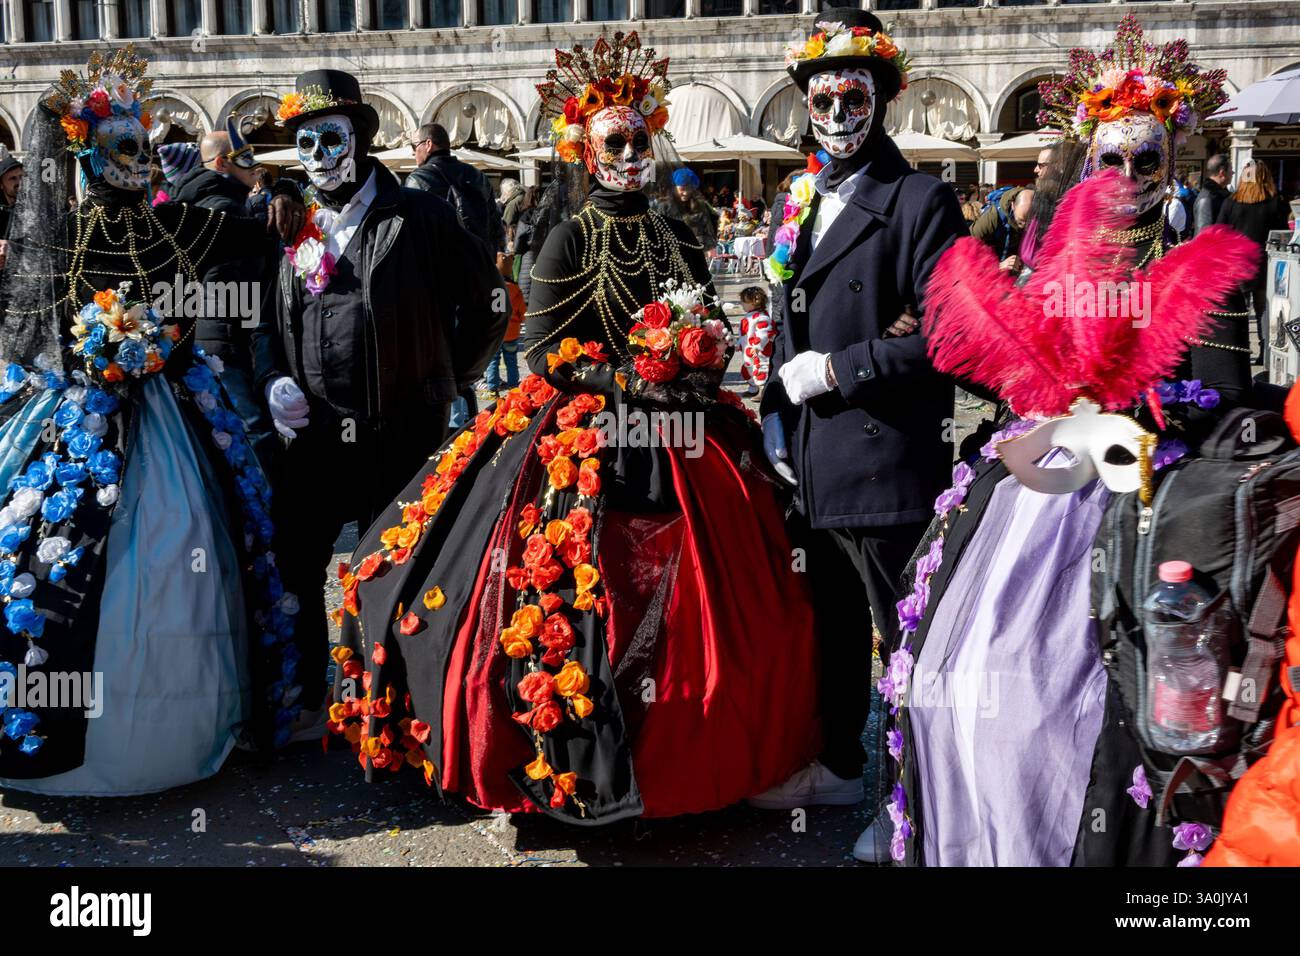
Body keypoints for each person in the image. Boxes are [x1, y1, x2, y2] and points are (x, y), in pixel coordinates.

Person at [325, 32, 820, 823]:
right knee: (573, 582)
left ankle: (718, 748)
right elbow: (538, 349)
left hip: (686, 425)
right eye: (614, 142)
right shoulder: (567, 236)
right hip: (590, 428)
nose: (630, 153)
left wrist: (697, 358)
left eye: (640, 139)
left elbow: (712, 315)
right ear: (586, 153)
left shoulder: (677, 233)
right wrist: (622, 374)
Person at [893, 15, 1258, 866]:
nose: (1127, 176)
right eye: (1111, 159)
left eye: (1147, 159)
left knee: (1086, 695)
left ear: (1171, 164)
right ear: (1086, 162)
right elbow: (1007, 362)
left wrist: (1140, 408)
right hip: (1037, 483)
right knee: (978, 681)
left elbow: (1227, 401)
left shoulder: (1201, 261)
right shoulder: (1054, 261)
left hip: (1145, 492)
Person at [0, 46, 308, 793]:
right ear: (91, 153)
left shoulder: (178, 228)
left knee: (199, 550)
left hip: (175, 408)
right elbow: (32, 322)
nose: (140, 160)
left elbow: (254, 231)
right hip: (83, 412)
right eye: (125, 145)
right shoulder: (58, 240)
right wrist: (97, 352)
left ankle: (196, 720)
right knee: (60, 558)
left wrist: (288, 193)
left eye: (146, 142)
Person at [752, 9, 966, 864]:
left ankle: (909, 805)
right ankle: (841, 764)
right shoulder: (796, 197)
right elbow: (781, 320)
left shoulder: (919, 199)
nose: (838, 114)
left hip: (883, 460)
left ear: (883, 98)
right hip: (810, 458)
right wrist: (775, 398)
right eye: (822, 98)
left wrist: (841, 369)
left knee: (902, 644)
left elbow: (948, 336)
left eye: (854, 96)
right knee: (831, 628)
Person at [254, 69, 506, 739]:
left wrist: (445, 379)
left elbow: (488, 303)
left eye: (329, 139)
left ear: (361, 140)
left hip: (395, 427)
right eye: (303, 144)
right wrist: (274, 380)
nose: (316, 158)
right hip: (311, 431)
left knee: (389, 564)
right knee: (297, 560)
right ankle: (311, 697)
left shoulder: (417, 214)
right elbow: (265, 318)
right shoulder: (295, 219)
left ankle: (386, 707)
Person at [171, 117, 289, 469]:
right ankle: (269, 515)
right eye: (245, 158)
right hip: (224, 334)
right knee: (254, 429)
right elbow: (238, 279)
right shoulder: (220, 209)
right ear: (222, 163)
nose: (253, 167)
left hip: (215, 331)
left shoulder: (203, 202)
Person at [405, 121, 502, 429]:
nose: (413, 154)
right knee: (466, 359)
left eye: (414, 147)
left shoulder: (418, 180)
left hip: (439, 288)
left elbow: (410, 241)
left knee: (439, 359)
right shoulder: (477, 176)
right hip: (478, 282)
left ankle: (450, 430)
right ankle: (468, 428)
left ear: (428, 145)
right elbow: (497, 231)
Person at [1217, 160, 1291, 365]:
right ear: (1265, 178)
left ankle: (1237, 353)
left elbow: (1219, 232)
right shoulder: (1275, 202)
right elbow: (1282, 235)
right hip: (1265, 265)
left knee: (1238, 311)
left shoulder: (1231, 202)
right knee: (1263, 311)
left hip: (1237, 264)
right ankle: (1264, 353)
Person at [483, 251, 524, 396]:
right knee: (511, 359)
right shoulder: (515, 289)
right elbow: (522, 311)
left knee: (493, 360)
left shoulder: (489, 287)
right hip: (511, 331)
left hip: (494, 331)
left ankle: (492, 386)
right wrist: (519, 320)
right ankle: (513, 384)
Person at [970, 184, 1034, 271]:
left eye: (1029, 221)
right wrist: (999, 266)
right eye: (1021, 220)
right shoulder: (992, 218)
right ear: (1013, 205)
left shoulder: (1039, 215)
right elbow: (965, 250)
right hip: (990, 272)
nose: (1025, 225)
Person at [737, 285, 773, 397]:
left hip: (758, 351)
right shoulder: (749, 316)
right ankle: (753, 388)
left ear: (753, 302)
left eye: (743, 302)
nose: (741, 304)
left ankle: (763, 390)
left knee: (760, 368)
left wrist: (757, 346)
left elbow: (763, 333)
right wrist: (739, 343)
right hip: (749, 351)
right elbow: (744, 334)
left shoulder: (761, 317)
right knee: (747, 369)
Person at [669, 167, 717, 249]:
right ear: (674, 188)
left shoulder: (702, 206)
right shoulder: (666, 206)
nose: (686, 193)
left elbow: (711, 228)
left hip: (696, 249)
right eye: (682, 189)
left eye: (689, 189)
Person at [1194, 153, 1231, 236]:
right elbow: (1203, 235)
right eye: (1230, 169)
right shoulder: (1207, 198)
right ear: (1222, 173)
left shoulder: (1220, 195)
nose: (1233, 172)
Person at [0, 145, 22, 270]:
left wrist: (13, 246)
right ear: (1, 184)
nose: (19, 182)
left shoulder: (32, 210)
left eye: (21, 177)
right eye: (13, 178)